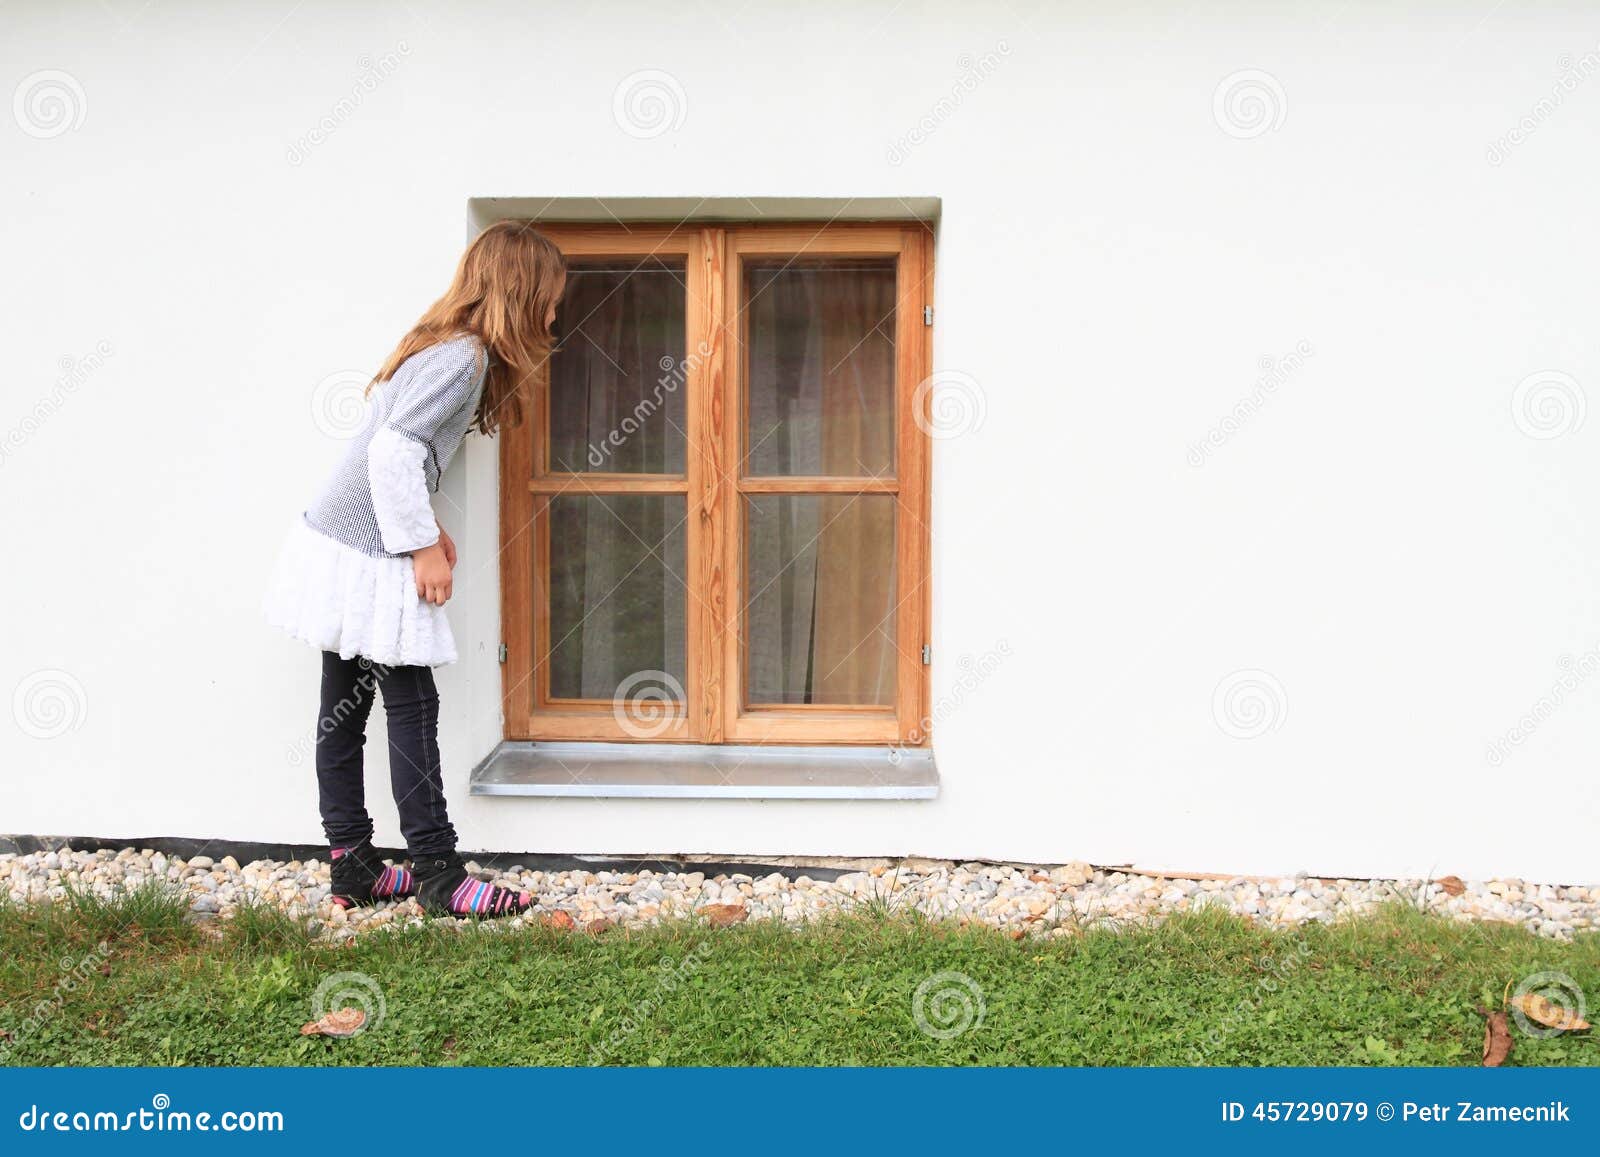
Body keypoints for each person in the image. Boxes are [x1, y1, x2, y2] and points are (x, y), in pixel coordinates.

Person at [264, 221, 566, 917]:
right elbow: (392, 454)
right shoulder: (462, 357)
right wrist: (419, 545)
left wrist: (431, 530)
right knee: (412, 701)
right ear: (520, 293)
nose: (554, 313)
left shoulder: (443, 346)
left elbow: (400, 455)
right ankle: (437, 872)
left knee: (343, 708)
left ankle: (354, 865)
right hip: (369, 549)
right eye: (550, 298)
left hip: (345, 538)